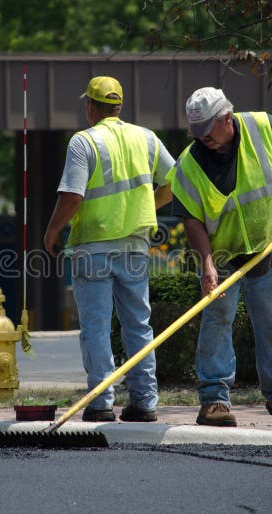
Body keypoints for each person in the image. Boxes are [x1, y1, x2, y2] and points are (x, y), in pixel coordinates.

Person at [168, 87, 272, 427]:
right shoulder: (189, 165)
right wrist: (207, 264)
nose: (203, 138)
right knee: (216, 323)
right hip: (222, 258)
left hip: (266, 250)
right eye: (197, 132)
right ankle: (214, 400)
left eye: (208, 129)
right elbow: (191, 218)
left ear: (227, 118)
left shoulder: (265, 129)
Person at [44, 76, 175, 423]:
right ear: (119, 106)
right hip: (135, 246)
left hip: (94, 247)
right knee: (138, 324)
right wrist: (148, 206)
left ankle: (101, 401)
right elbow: (176, 180)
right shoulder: (146, 138)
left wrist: (53, 230)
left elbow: (72, 197)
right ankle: (144, 401)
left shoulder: (84, 141)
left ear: (90, 105)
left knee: (97, 327)